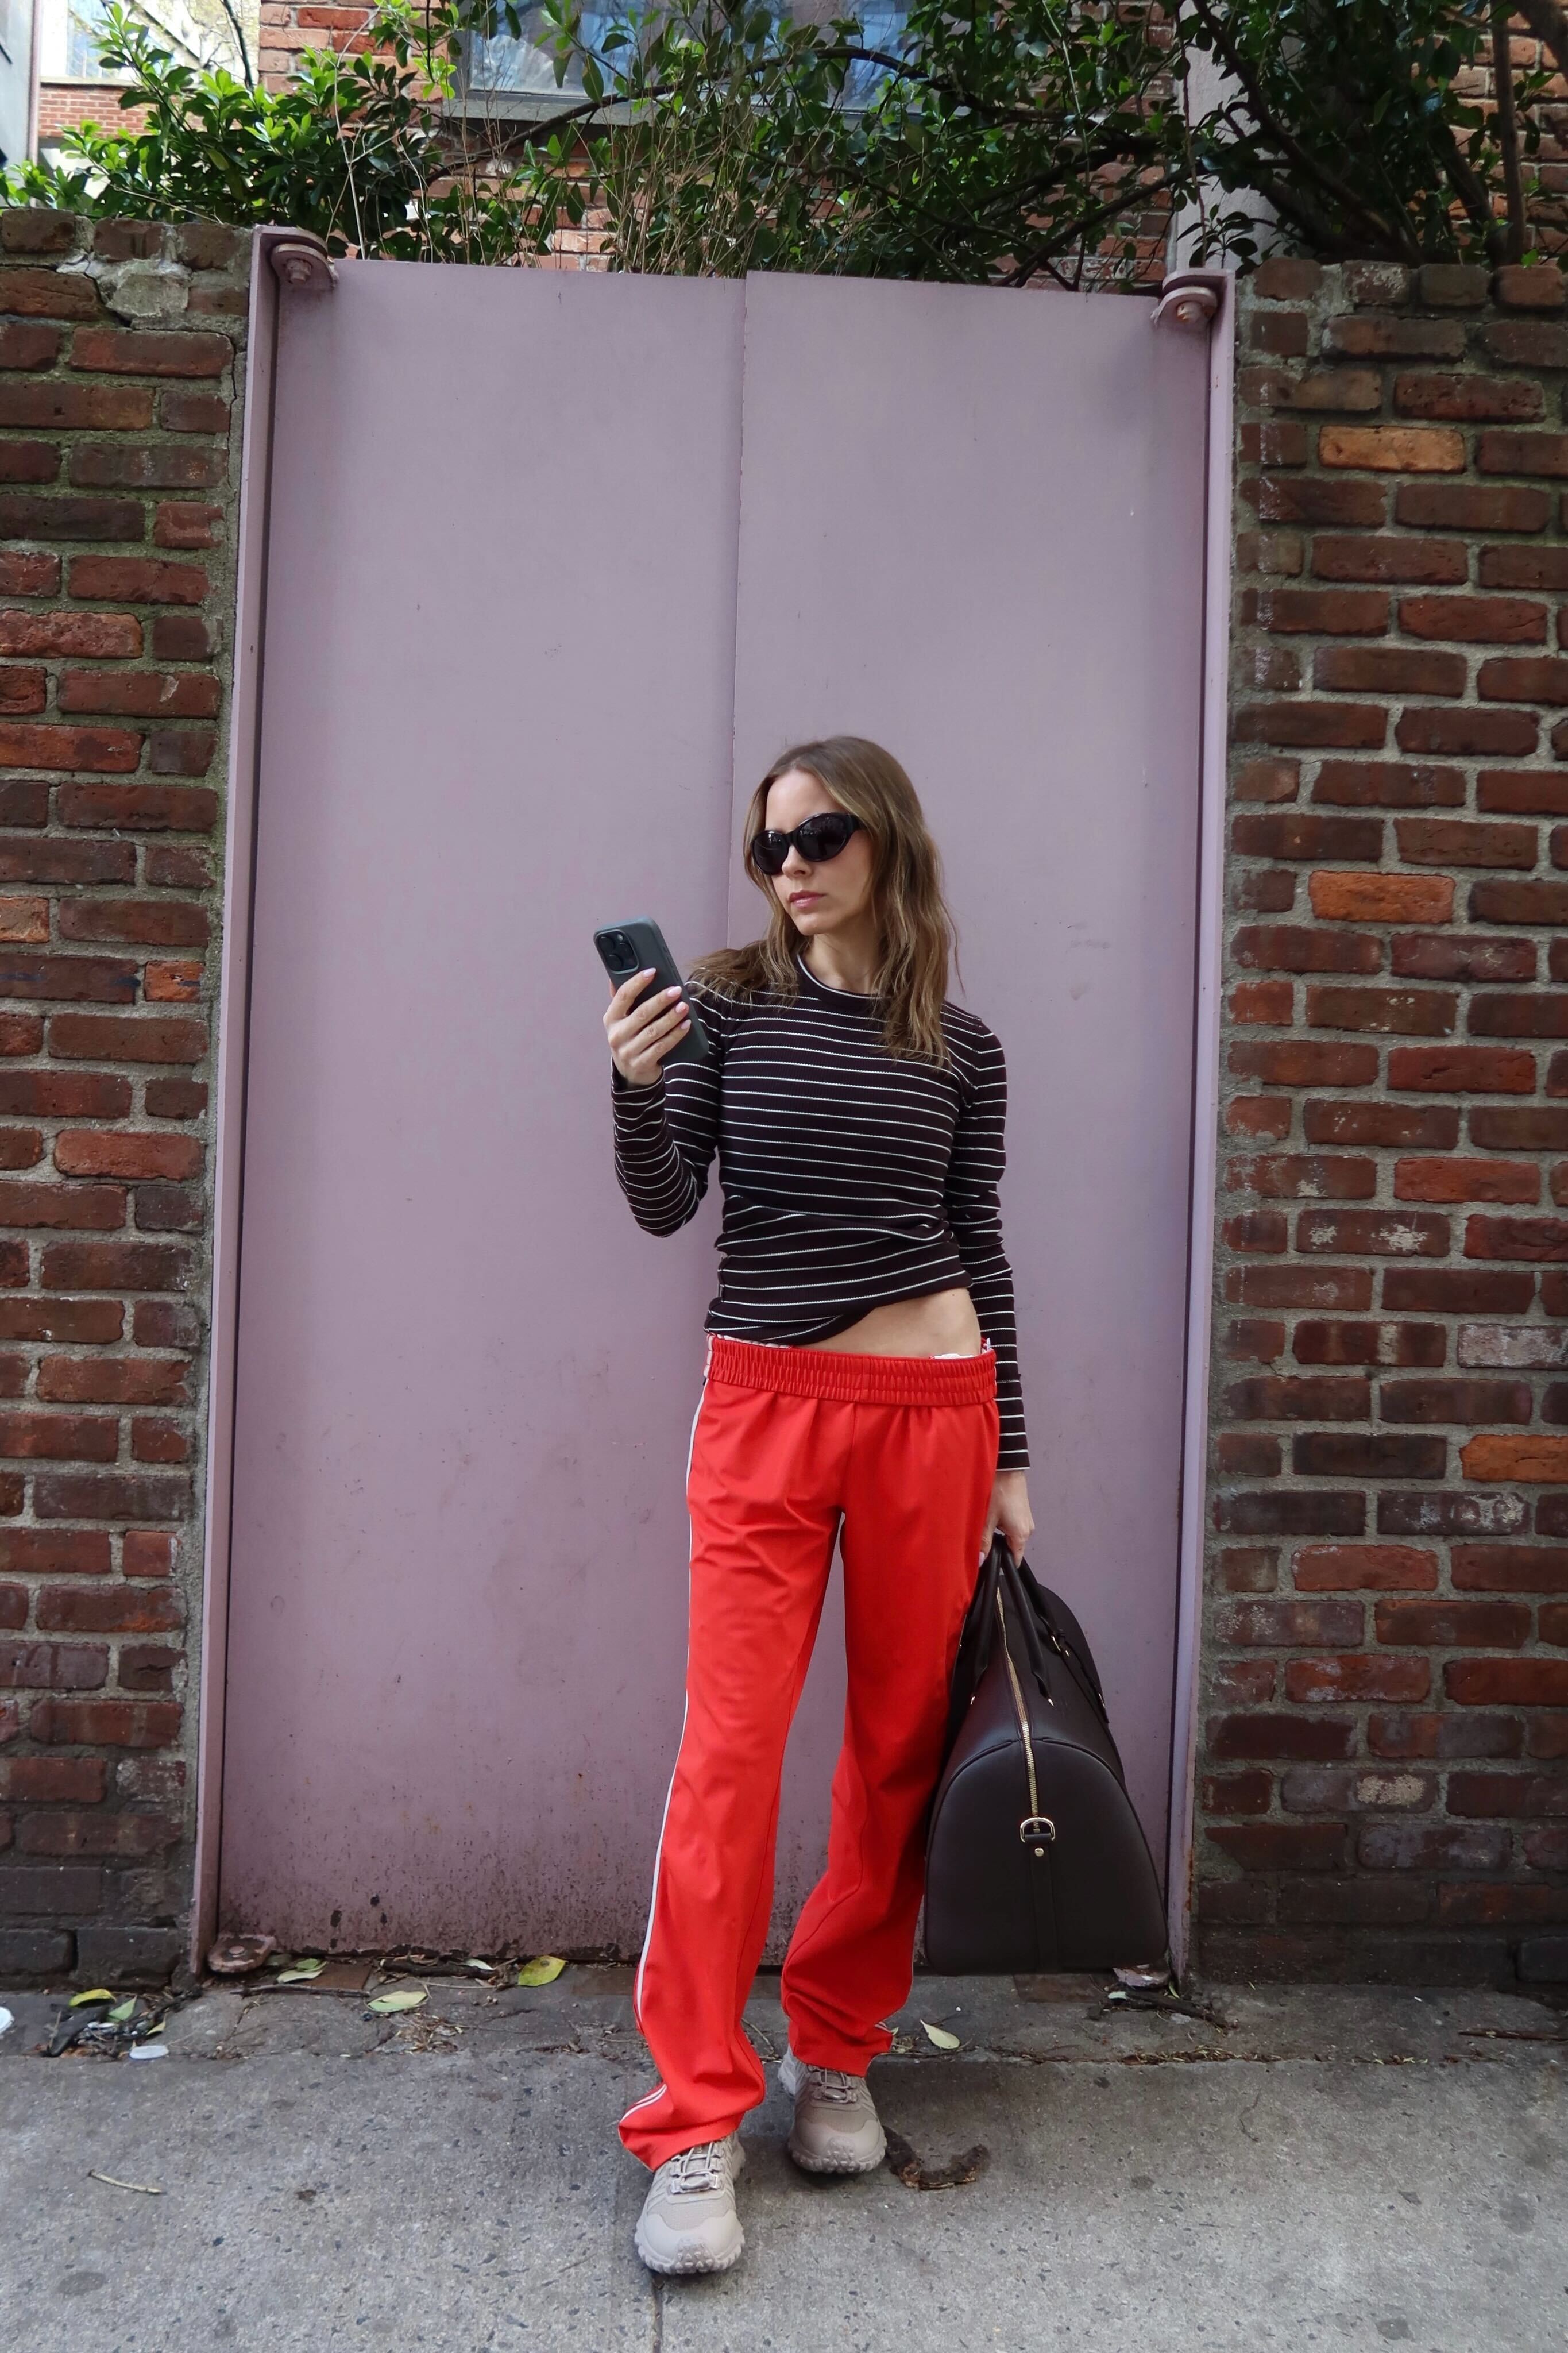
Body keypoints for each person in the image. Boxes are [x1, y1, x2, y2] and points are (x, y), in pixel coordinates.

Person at [601, 736, 1033, 2277]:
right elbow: (665, 1203)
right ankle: (695, 2119)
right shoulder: (721, 1010)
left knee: (894, 1758)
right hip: (769, 1411)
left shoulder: (959, 1045)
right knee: (727, 1757)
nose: (790, 865)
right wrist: (631, 1083)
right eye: (768, 842)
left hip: (936, 1416)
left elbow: (976, 1241)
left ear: (884, 841)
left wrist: (1012, 1460)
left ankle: (835, 2046)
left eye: (820, 833)